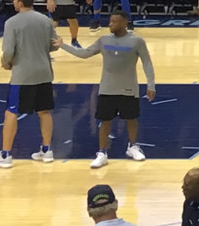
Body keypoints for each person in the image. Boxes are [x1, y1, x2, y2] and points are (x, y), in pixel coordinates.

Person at [64, 12, 157, 169]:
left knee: (131, 119)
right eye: (110, 21)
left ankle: (132, 146)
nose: (110, 24)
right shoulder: (104, 40)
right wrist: (62, 45)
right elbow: (84, 53)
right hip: (107, 89)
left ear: (124, 23)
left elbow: (147, 63)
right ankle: (102, 152)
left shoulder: (137, 41)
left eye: (114, 22)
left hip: (129, 89)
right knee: (105, 121)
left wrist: (151, 85)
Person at [0, 0, 64, 168]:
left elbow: (8, 51)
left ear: (20, 2)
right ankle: (47, 150)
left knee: (11, 112)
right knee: (44, 111)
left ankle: (5, 155)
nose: (13, 2)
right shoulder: (45, 20)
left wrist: (6, 63)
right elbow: (54, 46)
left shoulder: (12, 22)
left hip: (23, 75)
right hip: (44, 72)